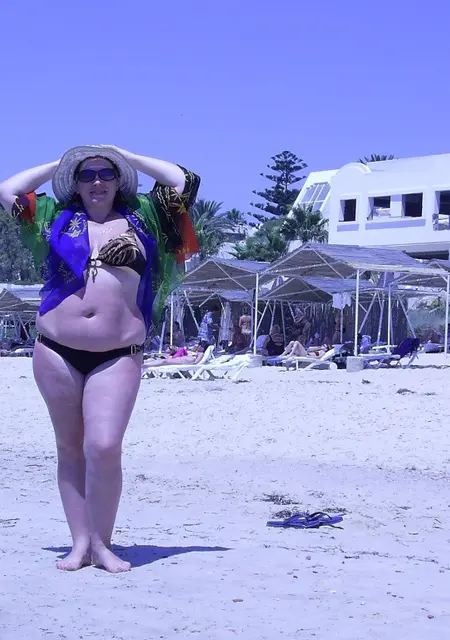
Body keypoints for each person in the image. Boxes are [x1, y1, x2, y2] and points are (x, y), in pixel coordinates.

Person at [0, 145, 199, 572]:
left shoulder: (145, 216)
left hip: (119, 353)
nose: (96, 181)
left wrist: (124, 155)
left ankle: (102, 543)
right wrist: (64, 162)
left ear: (118, 180)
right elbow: (7, 190)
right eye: (86, 174)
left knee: (104, 446)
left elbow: (182, 181)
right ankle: (80, 543)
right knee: (69, 447)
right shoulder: (55, 216)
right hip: (55, 349)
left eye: (106, 173)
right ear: (75, 182)